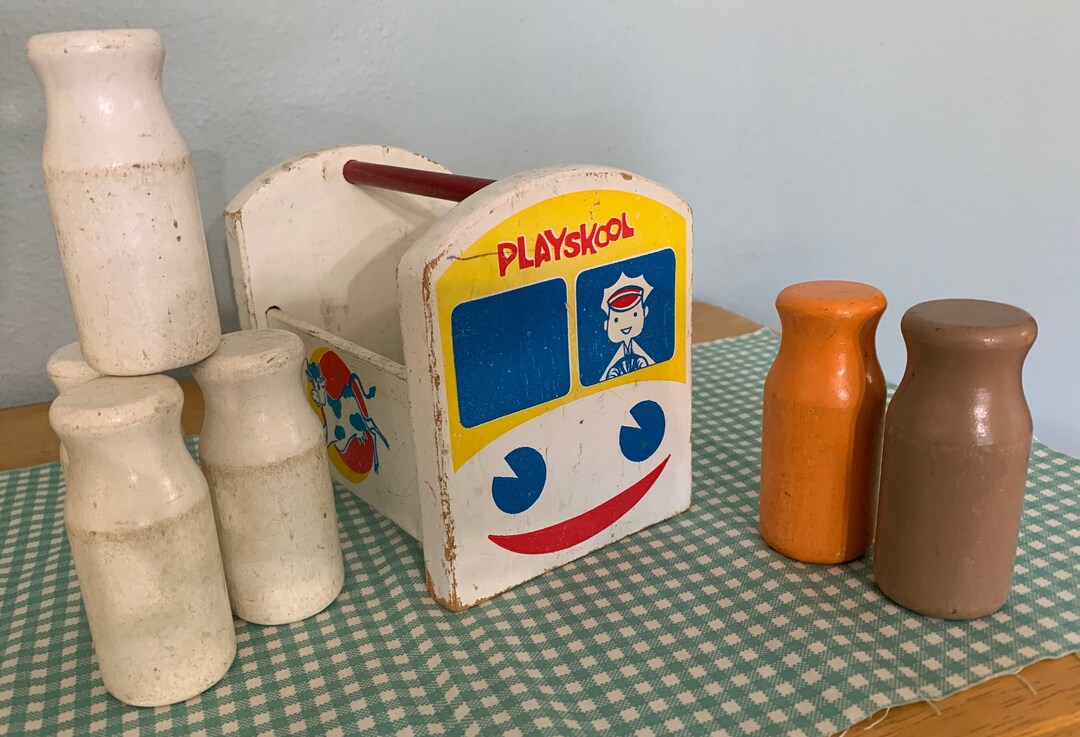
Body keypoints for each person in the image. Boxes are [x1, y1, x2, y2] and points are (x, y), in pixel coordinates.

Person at [600, 273, 655, 382]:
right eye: (616, 320)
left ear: (645, 312)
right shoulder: (612, 361)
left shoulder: (644, 354)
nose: (625, 324)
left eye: (635, 314)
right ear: (607, 324)